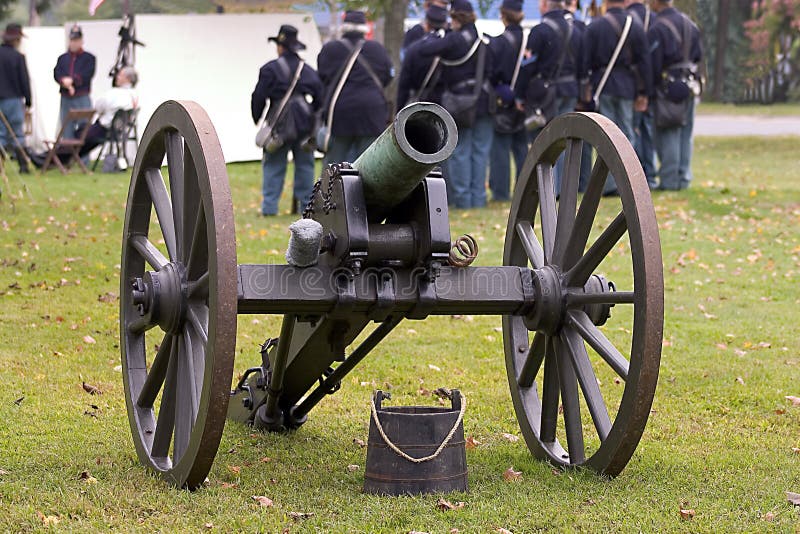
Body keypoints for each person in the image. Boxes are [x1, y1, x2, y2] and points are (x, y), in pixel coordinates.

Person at [418, 0, 493, 209]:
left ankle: (463, 200)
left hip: (460, 102)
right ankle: (479, 198)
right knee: (480, 152)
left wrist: (440, 33)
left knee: (460, 152)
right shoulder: (485, 40)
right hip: (484, 101)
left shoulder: (455, 40)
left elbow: (424, 49)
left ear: (456, 18)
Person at [578, 0, 652, 195]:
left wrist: (584, 89)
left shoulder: (595, 27)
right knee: (626, 133)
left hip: (602, 85)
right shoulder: (635, 26)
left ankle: (609, 183)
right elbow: (644, 62)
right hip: (627, 85)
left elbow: (584, 62)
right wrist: (644, 92)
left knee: (605, 134)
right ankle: (627, 182)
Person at [252, 25, 323, 216]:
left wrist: (257, 117)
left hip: (278, 124)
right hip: (303, 124)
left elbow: (258, 96)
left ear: (281, 47)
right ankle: (306, 209)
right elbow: (319, 98)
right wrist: (312, 118)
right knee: (305, 166)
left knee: (273, 166)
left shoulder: (269, 69)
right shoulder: (307, 70)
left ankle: (269, 208)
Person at [516, 0, 583, 195]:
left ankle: (549, 190)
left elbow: (527, 66)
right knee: (566, 140)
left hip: (545, 92)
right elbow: (582, 64)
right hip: (569, 88)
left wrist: (520, 95)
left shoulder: (540, 31)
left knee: (548, 141)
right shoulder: (576, 31)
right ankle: (565, 188)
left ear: (545, 4)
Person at [317, 10, 393, 167]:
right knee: (369, 166)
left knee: (334, 167)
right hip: (372, 111)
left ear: (344, 27)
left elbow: (323, 79)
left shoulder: (330, 49)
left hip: (340, 111)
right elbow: (387, 77)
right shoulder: (377, 49)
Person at [648, 0, 702, 191]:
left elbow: (653, 64)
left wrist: (649, 89)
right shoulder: (690, 24)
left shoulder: (657, 28)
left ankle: (670, 181)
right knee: (685, 133)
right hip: (690, 83)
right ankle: (683, 177)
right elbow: (698, 56)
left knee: (668, 132)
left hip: (667, 87)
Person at [487, 0, 527, 202]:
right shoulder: (529, 40)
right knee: (521, 149)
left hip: (504, 99)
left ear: (503, 15)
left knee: (501, 149)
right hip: (524, 100)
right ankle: (523, 193)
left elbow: (492, 74)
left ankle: (501, 193)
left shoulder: (499, 43)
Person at [626, 0, 657, 189]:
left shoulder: (628, 20)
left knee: (631, 130)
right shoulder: (653, 18)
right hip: (648, 81)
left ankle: (634, 176)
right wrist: (647, 89)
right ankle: (650, 174)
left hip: (630, 83)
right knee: (647, 131)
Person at [78, 66, 138, 158]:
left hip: (104, 129)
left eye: (120, 75)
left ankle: (58, 157)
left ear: (128, 78)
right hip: (119, 130)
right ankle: (69, 158)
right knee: (84, 134)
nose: (117, 77)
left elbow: (98, 106)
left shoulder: (115, 93)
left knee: (80, 132)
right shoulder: (134, 95)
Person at [397, 4, 449, 109]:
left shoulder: (414, 48)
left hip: (419, 106)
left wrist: (399, 108)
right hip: (447, 106)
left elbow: (404, 84)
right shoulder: (452, 46)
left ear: (427, 22)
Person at [54, 25, 96, 140]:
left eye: (76, 40)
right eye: (72, 40)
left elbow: (87, 74)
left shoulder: (89, 58)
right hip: (66, 98)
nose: (74, 43)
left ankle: (84, 157)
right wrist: (64, 82)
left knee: (84, 130)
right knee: (66, 130)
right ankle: (68, 156)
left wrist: (72, 81)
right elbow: (57, 73)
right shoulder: (62, 58)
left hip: (81, 97)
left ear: (81, 41)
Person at [0, 23, 31, 174]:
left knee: (1, 134)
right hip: (13, 100)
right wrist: (29, 100)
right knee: (17, 134)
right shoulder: (18, 57)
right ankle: (23, 166)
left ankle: (1, 167)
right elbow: (24, 80)